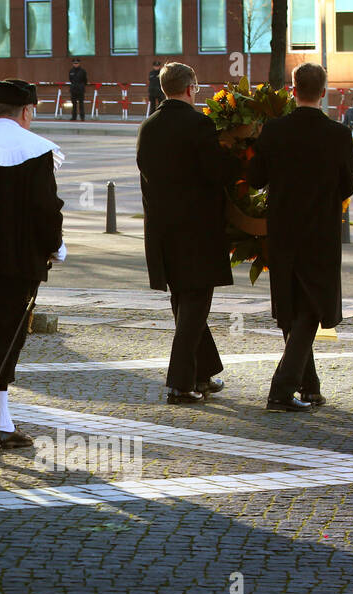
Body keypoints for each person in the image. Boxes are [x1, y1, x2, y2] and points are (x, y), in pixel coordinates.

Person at [0, 79, 65, 452]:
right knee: (3, 343)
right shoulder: (35, 150)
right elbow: (45, 208)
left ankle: (4, 424)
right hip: (19, 263)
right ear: (27, 112)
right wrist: (55, 246)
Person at [246, 63, 353, 413]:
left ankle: (310, 386)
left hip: (281, 232)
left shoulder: (274, 131)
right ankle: (281, 390)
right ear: (324, 92)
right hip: (320, 233)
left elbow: (257, 179)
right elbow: (348, 184)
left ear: (293, 91)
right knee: (310, 308)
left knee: (293, 307)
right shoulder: (339, 134)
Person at [136, 62, 238, 406]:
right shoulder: (199, 124)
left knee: (185, 305)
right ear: (191, 88)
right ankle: (180, 384)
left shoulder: (147, 127)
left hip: (163, 234)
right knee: (194, 308)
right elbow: (216, 173)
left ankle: (202, 372)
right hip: (197, 234)